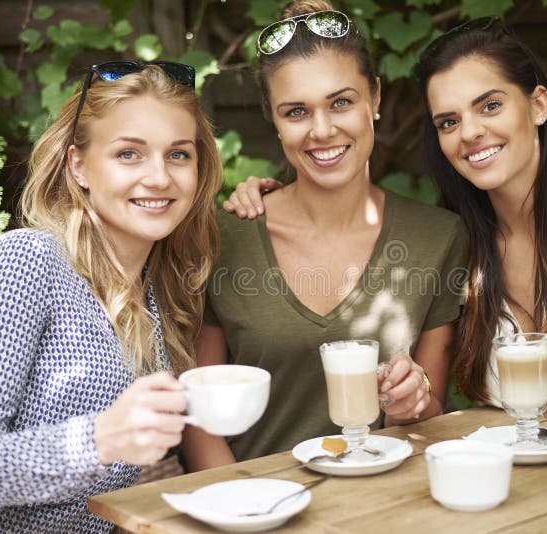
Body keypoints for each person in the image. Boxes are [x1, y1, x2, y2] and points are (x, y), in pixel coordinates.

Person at [225, 19, 547, 437]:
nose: (471, 132)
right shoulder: (454, 246)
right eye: (448, 120)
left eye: (490, 105)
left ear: (538, 105)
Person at [0, 62, 222, 532]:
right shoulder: (25, 263)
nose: (159, 177)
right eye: (129, 154)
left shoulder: (159, 291)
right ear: (79, 166)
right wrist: (98, 440)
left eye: (178, 155)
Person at [182, 0, 467, 471]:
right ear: (273, 121)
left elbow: (428, 418)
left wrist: (411, 402)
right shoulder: (223, 236)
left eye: (341, 102)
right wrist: (246, 505)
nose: (322, 129)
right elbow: (199, 420)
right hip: (254, 507)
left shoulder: (438, 236)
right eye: (296, 111)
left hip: (383, 505)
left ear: (374, 98)